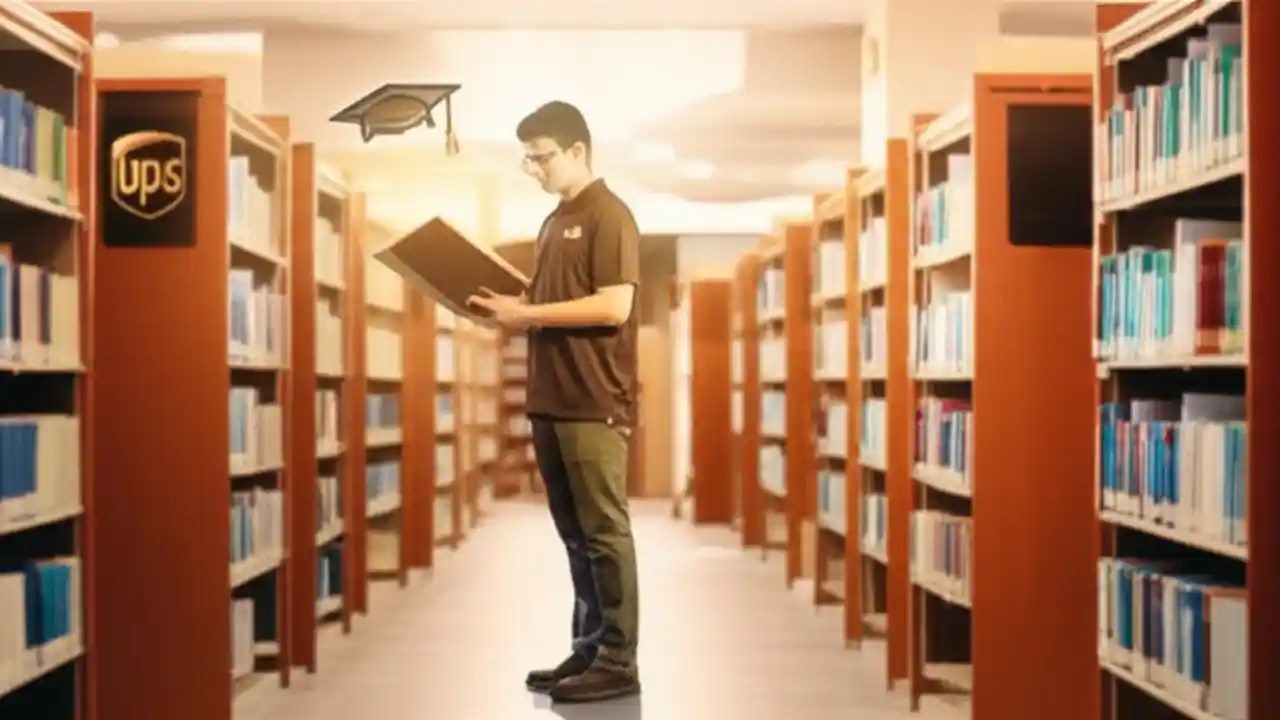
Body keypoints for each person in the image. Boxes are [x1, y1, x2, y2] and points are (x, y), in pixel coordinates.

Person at [467, 100, 641, 704]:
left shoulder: (608, 215)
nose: (534, 168)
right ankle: (589, 646)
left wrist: (529, 312)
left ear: (577, 152)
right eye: (528, 158)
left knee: (603, 532)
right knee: (573, 533)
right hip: (551, 397)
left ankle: (619, 658)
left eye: (542, 156)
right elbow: (553, 303)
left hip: (594, 401)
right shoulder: (552, 222)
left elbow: (614, 304)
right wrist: (509, 308)